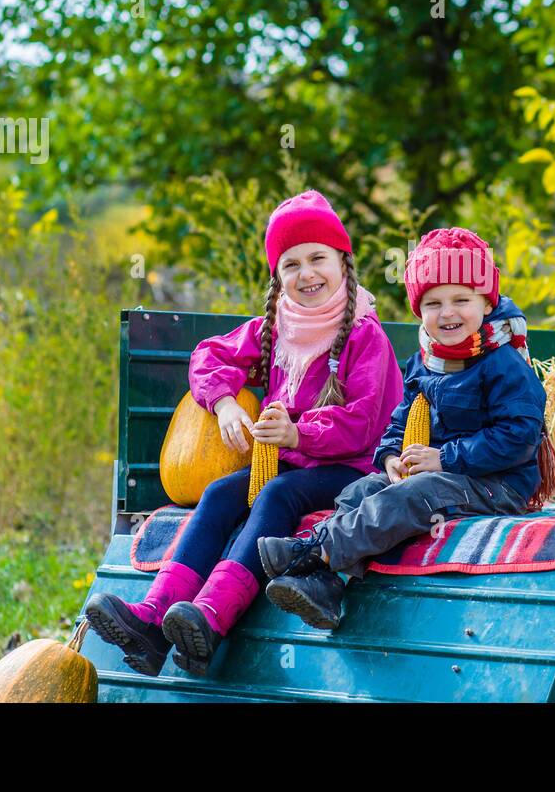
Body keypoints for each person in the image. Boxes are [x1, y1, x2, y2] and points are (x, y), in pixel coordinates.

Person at [84, 190, 403, 674]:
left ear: (343, 262)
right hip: (289, 460)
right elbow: (208, 356)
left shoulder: (365, 335)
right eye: (291, 264)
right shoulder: (275, 329)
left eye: (318, 258)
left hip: (352, 468)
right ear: (277, 277)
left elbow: (361, 426)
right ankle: (152, 622)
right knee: (219, 493)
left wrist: (296, 432)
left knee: (276, 495)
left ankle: (211, 619)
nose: (307, 274)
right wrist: (226, 402)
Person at [257, 226, 555, 630]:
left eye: (460, 300)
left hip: (496, 483)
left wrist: (444, 457)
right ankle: (330, 583)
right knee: (362, 490)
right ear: (420, 311)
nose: (447, 313)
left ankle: (316, 552)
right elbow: (400, 418)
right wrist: (392, 456)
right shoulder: (425, 361)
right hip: (441, 472)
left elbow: (517, 438)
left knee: (417, 495)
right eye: (433, 303)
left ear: (487, 303)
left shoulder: (504, 364)